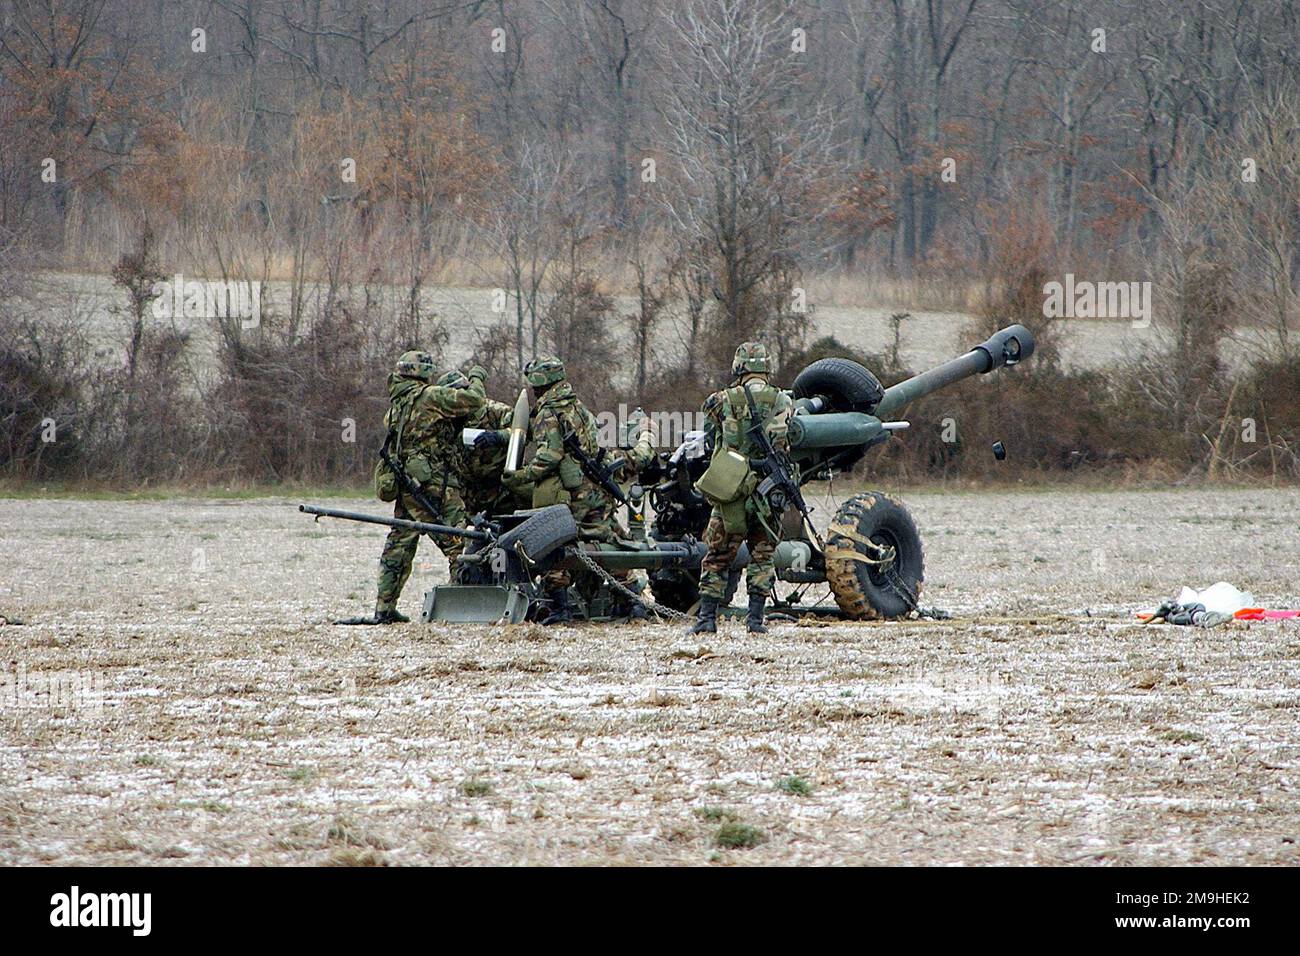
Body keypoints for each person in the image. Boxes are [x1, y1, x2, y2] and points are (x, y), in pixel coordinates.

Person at [369, 352, 486, 624]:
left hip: (405, 482)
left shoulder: (397, 404)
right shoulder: (430, 397)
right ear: (424, 373)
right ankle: (465, 605)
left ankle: (384, 608)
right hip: (433, 484)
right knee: (460, 542)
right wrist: (478, 377)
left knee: (399, 545)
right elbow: (474, 401)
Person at [690, 342, 792, 635]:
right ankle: (756, 621)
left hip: (731, 488)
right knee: (762, 555)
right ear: (766, 368)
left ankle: (707, 620)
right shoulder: (782, 401)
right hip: (767, 491)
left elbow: (710, 430)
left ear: (740, 367)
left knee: (718, 554)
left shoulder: (720, 400)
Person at [512, 356, 616, 624]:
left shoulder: (549, 412)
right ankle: (629, 600)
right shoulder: (578, 407)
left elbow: (549, 456)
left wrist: (521, 476)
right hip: (594, 488)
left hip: (569, 492)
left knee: (553, 544)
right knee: (603, 542)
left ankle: (561, 608)